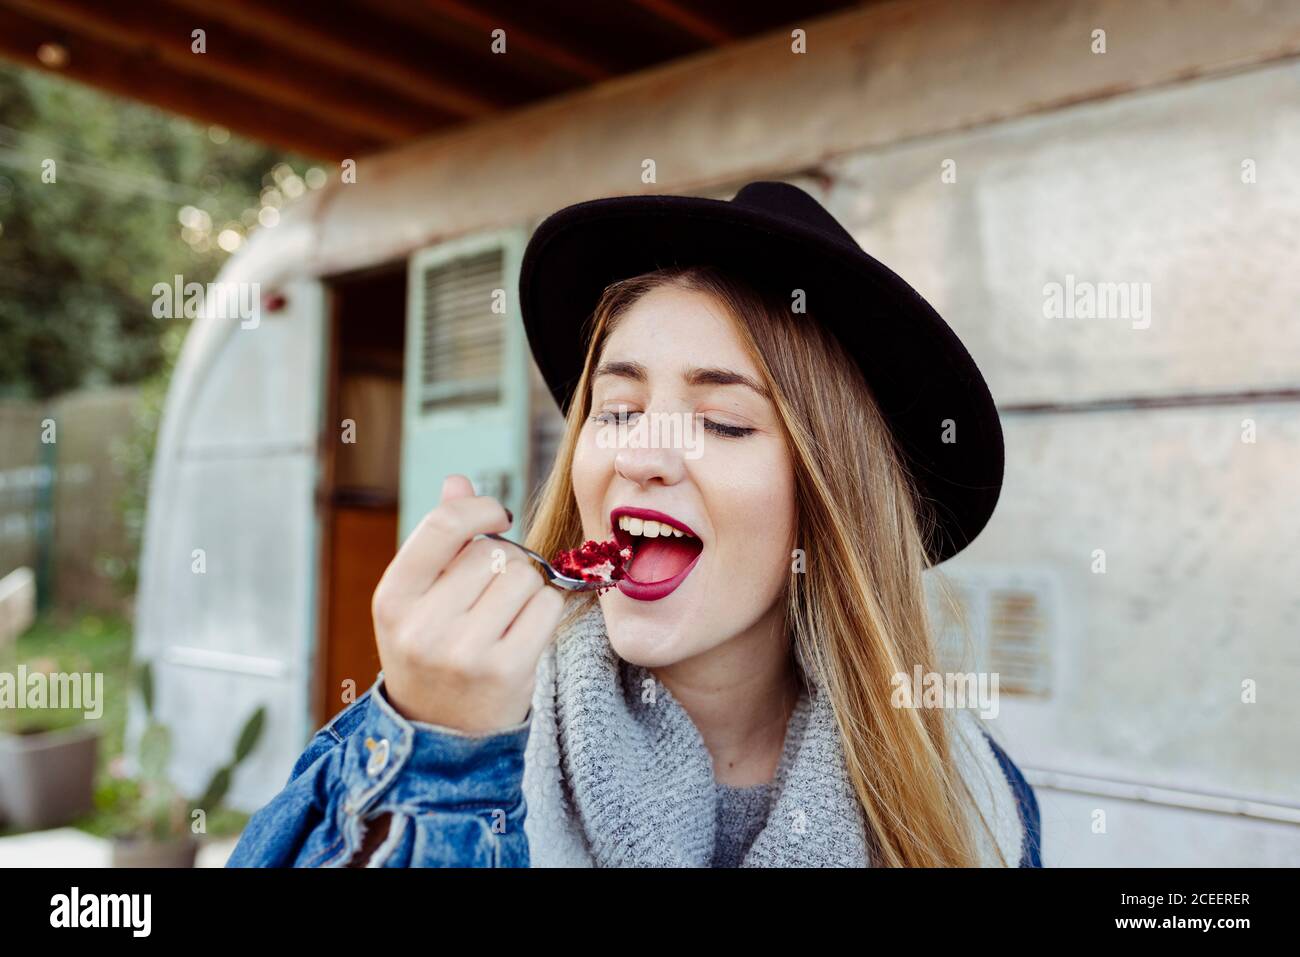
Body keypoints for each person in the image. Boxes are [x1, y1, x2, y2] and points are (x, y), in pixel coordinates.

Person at [226, 181, 1041, 868]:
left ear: (829, 501)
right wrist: (440, 757)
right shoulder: (421, 744)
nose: (641, 454)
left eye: (722, 421)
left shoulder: (977, 801)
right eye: (615, 410)